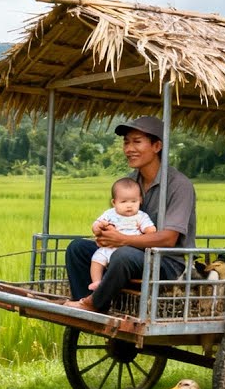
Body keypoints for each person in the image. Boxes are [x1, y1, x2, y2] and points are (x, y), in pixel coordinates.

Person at [65, 115, 197, 313]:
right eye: (126, 142)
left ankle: (93, 303)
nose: (129, 149)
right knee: (77, 248)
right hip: (131, 254)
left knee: (123, 254)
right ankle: (87, 302)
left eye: (137, 142)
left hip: (166, 262)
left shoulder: (179, 185)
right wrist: (105, 232)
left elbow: (169, 239)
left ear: (157, 146)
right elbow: (116, 219)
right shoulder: (129, 182)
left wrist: (121, 240)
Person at [87, 177, 157, 290]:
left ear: (140, 200)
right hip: (109, 247)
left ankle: (104, 292)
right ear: (114, 202)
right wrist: (98, 227)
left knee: (121, 258)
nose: (129, 205)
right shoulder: (109, 214)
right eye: (123, 202)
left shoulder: (141, 216)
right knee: (97, 258)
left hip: (130, 249)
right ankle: (97, 281)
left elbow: (150, 229)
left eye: (134, 201)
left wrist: (149, 229)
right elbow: (96, 225)